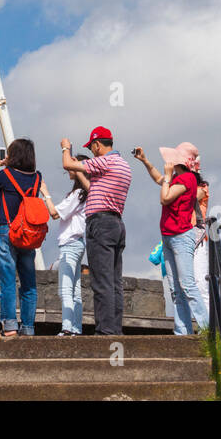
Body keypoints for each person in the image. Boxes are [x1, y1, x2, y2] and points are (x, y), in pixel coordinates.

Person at [60, 126, 133, 334]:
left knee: (101, 281)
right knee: (114, 281)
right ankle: (114, 328)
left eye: (92, 148)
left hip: (100, 224)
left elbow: (68, 164)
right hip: (116, 224)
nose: (92, 151)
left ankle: (105, 331)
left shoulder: (105, 161)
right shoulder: (123, 165)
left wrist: (65, 148)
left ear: (97, 144)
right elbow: (93, 189)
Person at [133, 142, 206, 334]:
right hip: (168, 236)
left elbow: (164, 197)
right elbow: (159, 179)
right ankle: (182, 331)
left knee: (187, 285)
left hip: (182, 237)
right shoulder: (176, 177)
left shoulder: (188, 179)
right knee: (175, 289)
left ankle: (209, 329)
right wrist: (145, 161)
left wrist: (166, 177)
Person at [0, 138, 51, 338]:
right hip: (28, 233)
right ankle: (28, 328)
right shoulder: (37, 177)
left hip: (7, 230)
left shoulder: (6, 175)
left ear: (13, 155)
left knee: (8, 281)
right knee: (29, 283)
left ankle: (10, 326)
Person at [50, 169, 88, 336]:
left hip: (70, 244)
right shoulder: (86, 193)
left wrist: (45, 194)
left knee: (66, 290)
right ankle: (76, 328)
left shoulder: (78, 193)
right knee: (75, 291)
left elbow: (54, 213)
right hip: (78, 243)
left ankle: (67, 328)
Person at [194, 178, 212, 324]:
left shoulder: (202, 187)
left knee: (201, 284)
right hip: (179, 234)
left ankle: (206, 328)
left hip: (196, 238)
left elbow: (191, 197)